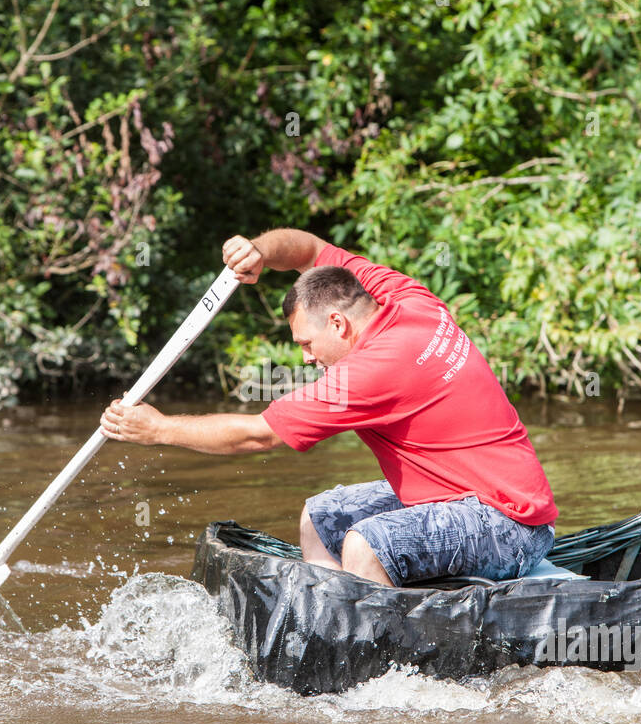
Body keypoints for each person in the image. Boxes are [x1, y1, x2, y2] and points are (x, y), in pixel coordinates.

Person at [100, 228, 557, 587]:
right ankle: (333, 623)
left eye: (306, 343)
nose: (305, 358)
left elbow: (258, 434)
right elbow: (310, 250)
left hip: (509, 524)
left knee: (365, 544)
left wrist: (158, 429)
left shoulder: (372, 372)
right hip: (457, 491)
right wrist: (258, 250)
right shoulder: (402, 297)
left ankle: (379, 664)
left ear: (338, 323)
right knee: (321, 516)